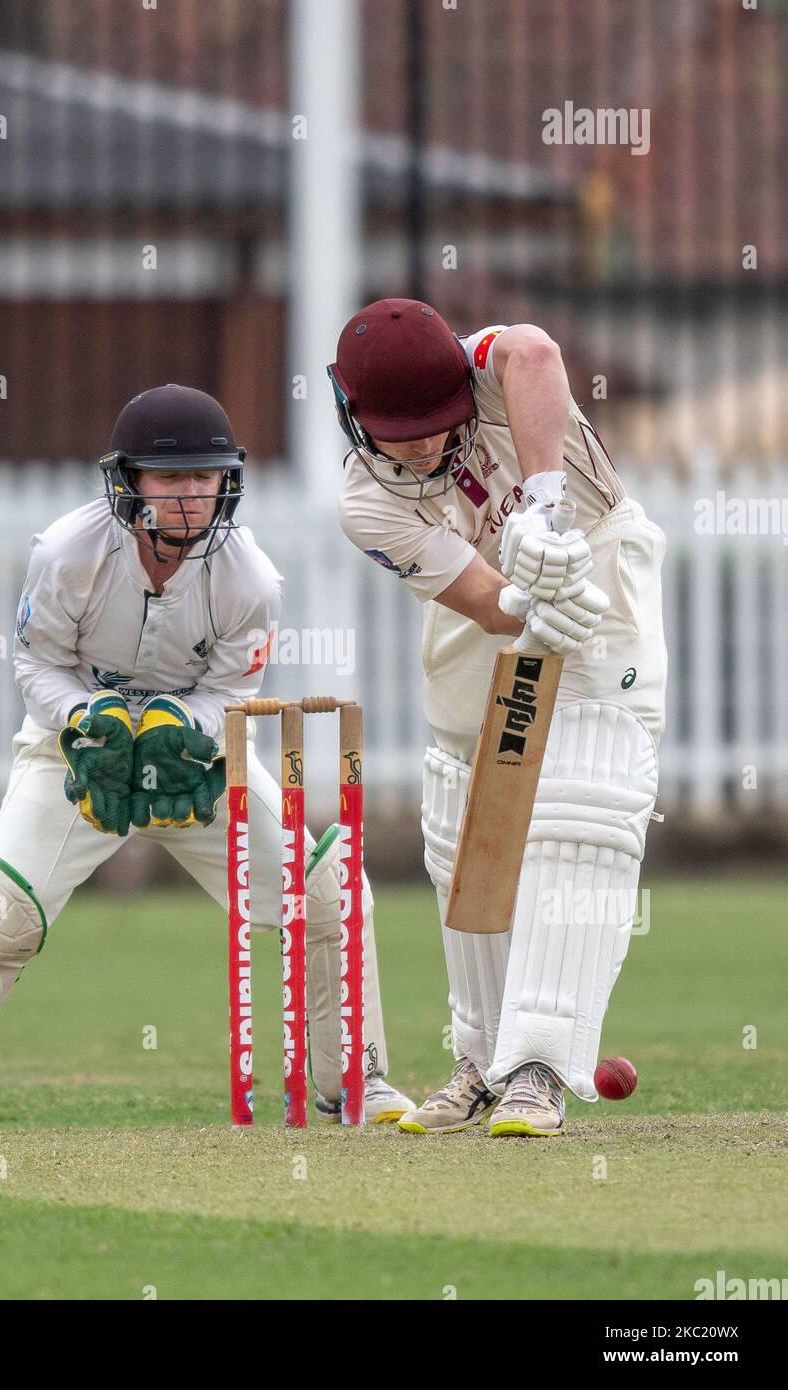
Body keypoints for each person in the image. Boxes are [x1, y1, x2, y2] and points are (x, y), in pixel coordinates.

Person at [0, 384, 413, 1138]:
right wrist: (88, 717)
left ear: (227, 482)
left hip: (197, 764)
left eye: (204, 479)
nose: (188, 497)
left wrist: (183, 725)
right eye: (170, 478)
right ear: (130, 481)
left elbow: (234, 690)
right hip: (76, 756)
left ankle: (358, 1085)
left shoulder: (251, 580)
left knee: (327, 893)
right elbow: (36, 666)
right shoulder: (66, 553)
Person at [329, 300, 667, 1137]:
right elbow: (486, 605)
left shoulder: (488, 363)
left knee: (582, 807)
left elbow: (537, 350)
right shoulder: (365, 502)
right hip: (489, 601)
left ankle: (542, 1065)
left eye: (439, 425)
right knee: (458, 816)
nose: (428, 447)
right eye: (403, 434)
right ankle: (480, 1059)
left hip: (601, 567)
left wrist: (547, 514)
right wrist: (526, 592)